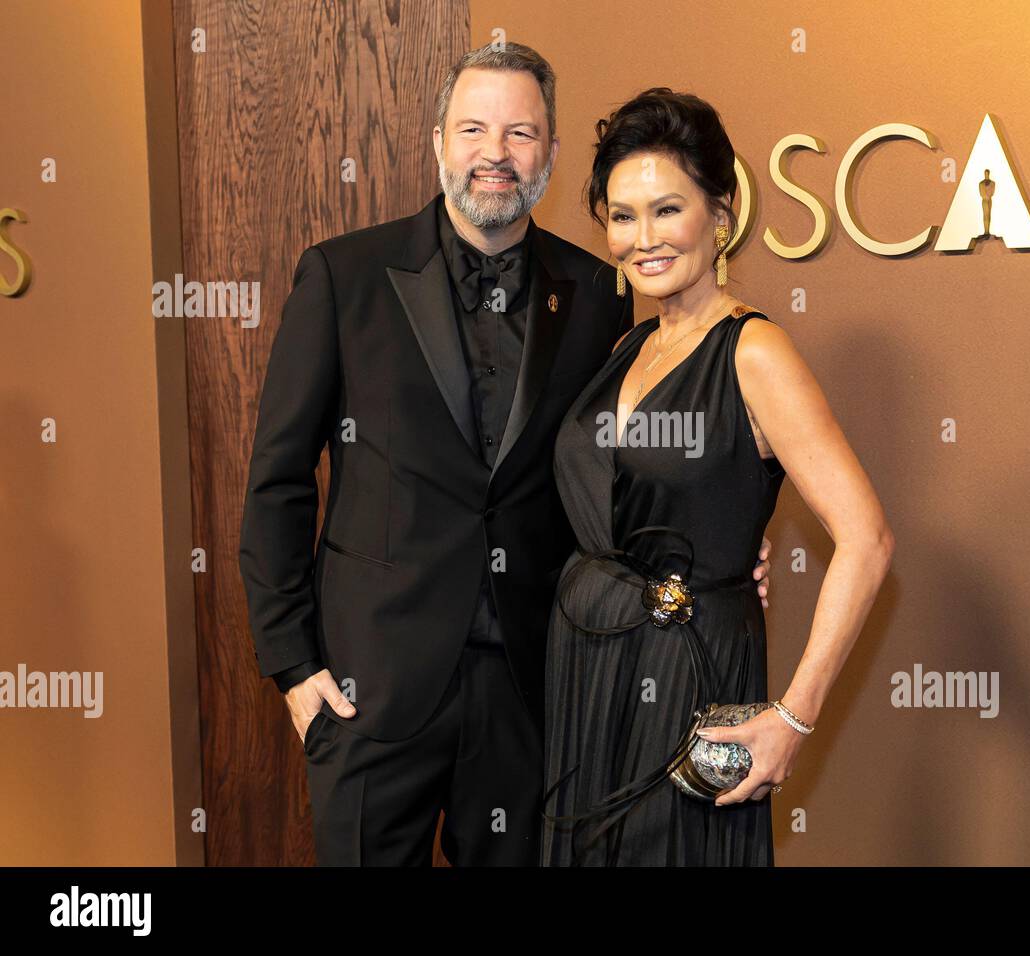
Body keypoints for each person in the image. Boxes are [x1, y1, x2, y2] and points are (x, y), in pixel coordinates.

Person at [238, 43, 769, 866]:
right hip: (368, 692)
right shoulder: (344, 277)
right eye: (474, 129)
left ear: (550, 155)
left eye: (520, 133)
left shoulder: (598, 292)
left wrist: (722, 535)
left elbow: (611, 468)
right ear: (439, 142)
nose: (495, 153)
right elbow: (276, 482)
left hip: (538, 686)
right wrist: (292, 665)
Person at [540, 89, 895, 865]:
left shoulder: (755, 351)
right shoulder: (629, 347)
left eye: (667, 210)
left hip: (685, 672)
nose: (643, 239)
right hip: (590, 672)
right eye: (621, 215)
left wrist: (794, 718)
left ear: (722, 213)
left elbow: (866, 540)